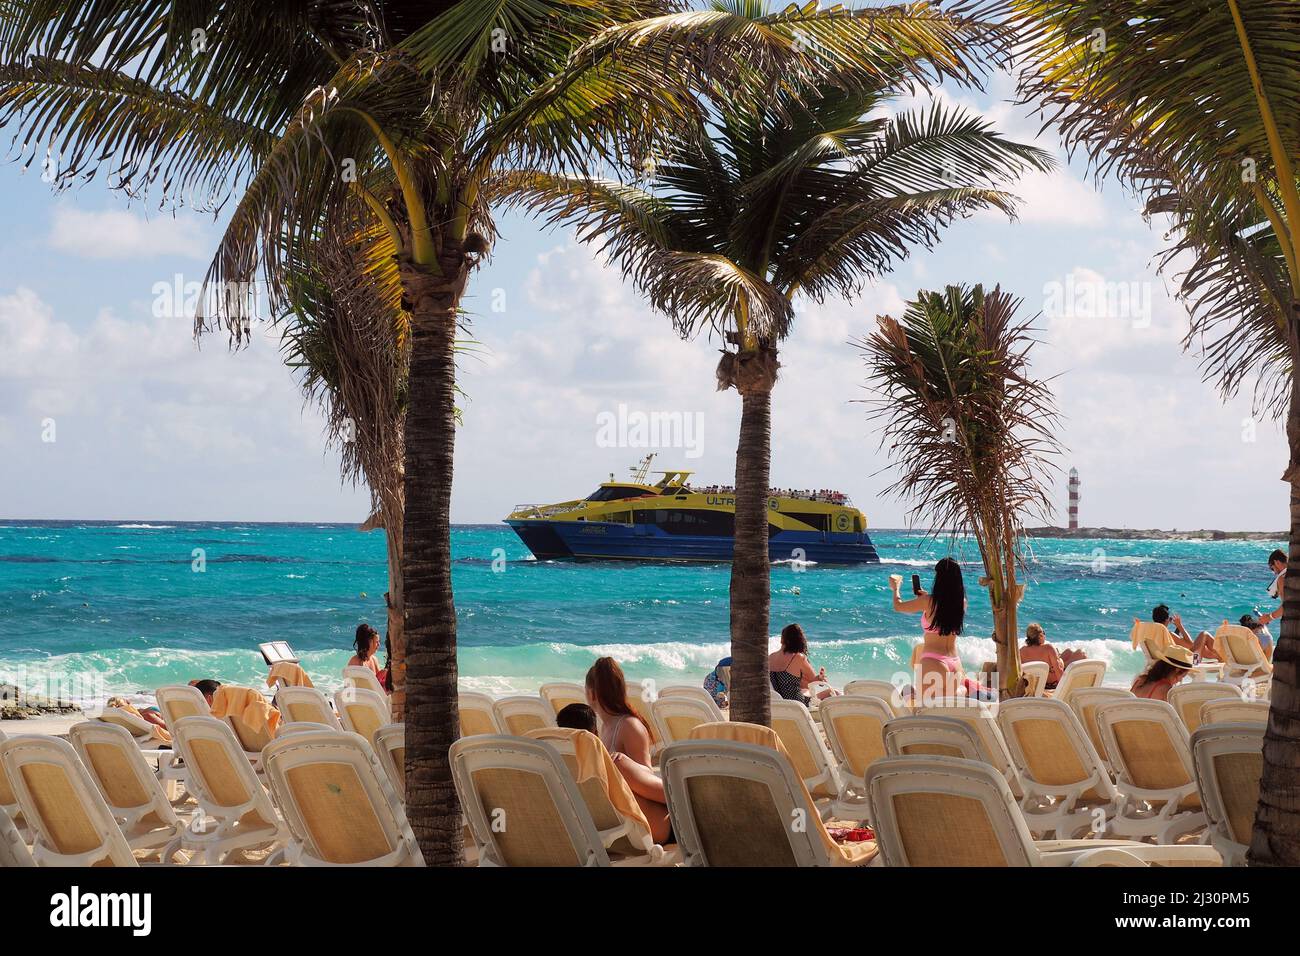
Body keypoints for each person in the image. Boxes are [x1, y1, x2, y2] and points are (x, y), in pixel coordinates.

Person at [585, 657, 670, 843]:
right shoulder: (605, 729)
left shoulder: (629, 725)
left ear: (591, 694)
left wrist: (620, 764)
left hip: (654, 822)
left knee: (617, 763)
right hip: (626, 823)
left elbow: (645, 775)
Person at [891, 557, 986, 701]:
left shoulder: (928, 602)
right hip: (954, 662)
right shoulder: (962, 603)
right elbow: (943, 608)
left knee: (927, 706)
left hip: (933, 661)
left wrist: (896, 588)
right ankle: (966, 690)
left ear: (939, 579)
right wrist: (925, 599)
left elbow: (898, 606)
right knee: (948, 706)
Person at [767, 624, 834, 705]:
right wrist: (820, 678)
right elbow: (813, 681)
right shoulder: (798, 657)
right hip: (798, 704)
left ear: (782, 640)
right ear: (799, 640)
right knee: (832, 692)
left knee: (805, 690)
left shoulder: (770, 657)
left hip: (780, 703)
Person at [1153, 604, 1219, 661]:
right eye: (1170, 619)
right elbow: (1190, 644)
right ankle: (1221, 655)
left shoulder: (1154, 634)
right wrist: (1180, 626)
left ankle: (1220, 656)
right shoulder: (1168, 634)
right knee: (1204, 634)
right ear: (1166, 620)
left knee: (1202, 643)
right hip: (1191, 660)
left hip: (1171, 660)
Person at [1130, 645, 1194, 701]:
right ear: (1177, 670)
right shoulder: (1166, 689)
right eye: (1182, 676)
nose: (1180, 680)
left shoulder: (1140, 680)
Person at [1020, 623, 1066, 688]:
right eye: (1043, 633)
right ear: (1040, 636)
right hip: (1051, 684)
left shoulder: (1021, 651)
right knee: (1074, 655)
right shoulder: (1048, 648)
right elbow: (1058, 672)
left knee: (1066, 654)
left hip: (1034, 686)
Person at [349, 622, 390, 690]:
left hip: (371, 696)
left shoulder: (374, 659)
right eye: (377, 642)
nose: (379, 644)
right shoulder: (355, 662)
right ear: (369, 642)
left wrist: (384, 672)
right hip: (362, 697)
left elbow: (377, 682)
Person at [1258, 549, 1286, 629]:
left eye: (1272, 568)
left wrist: (1269, 617)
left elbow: (1288, 606)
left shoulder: (1282, 578)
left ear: (1277, 562)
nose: (1275, 572)